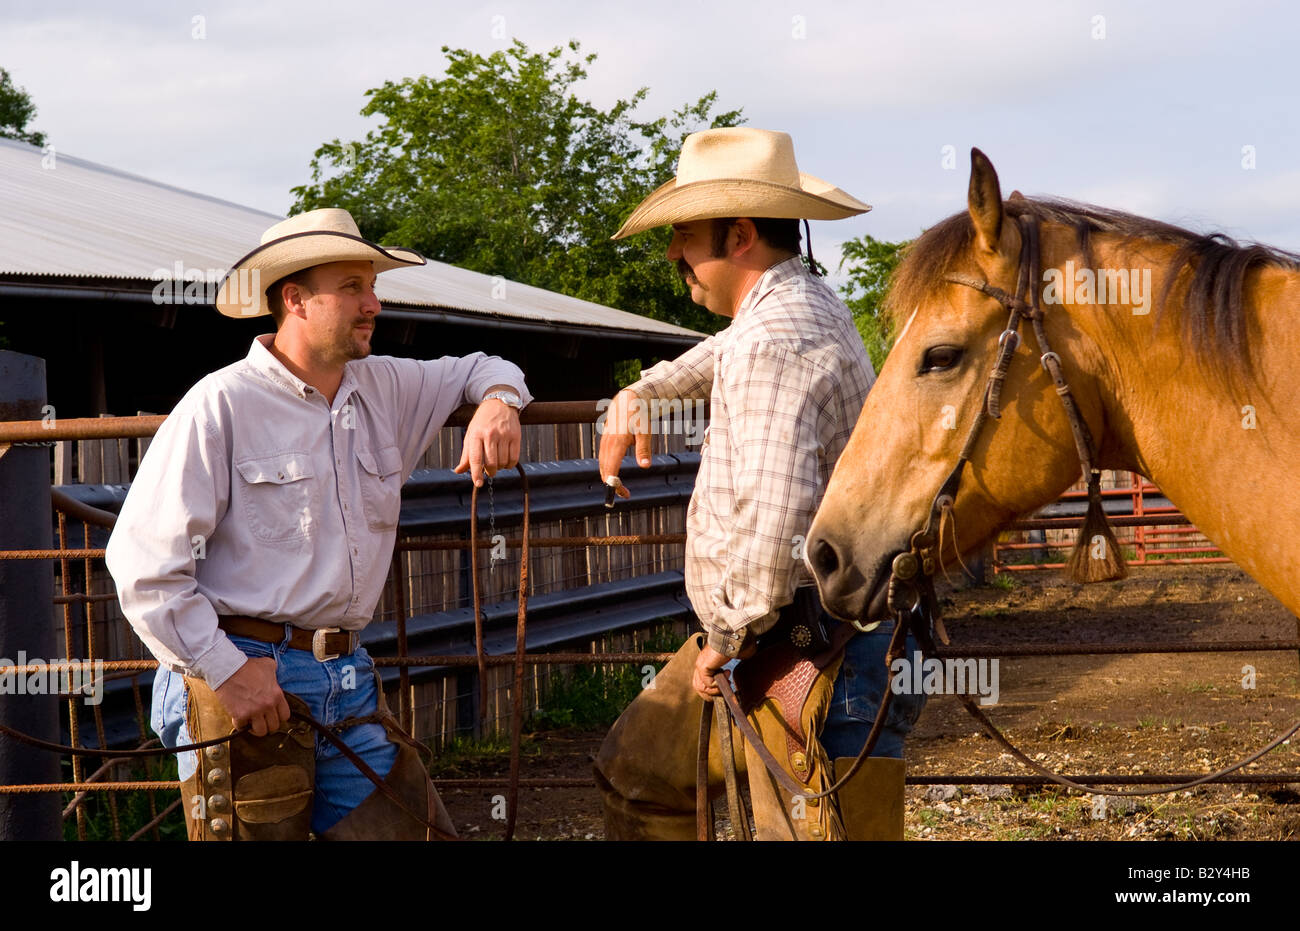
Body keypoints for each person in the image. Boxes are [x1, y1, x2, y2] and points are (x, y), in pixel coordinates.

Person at [105, 208, 532, 840]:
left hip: (346, 672)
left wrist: (499, 404)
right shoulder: (221, 404)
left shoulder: (384, 386)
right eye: (354, 287)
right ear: (295, 298)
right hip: (245, 669)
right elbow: (144, 568)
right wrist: (227, 672)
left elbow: (483, 364)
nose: (374, 304)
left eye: (373, 286)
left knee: (413, 832)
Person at [594, 127, 925, 840]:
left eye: (683, 235)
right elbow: (729, 347)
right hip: (805, 634)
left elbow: (776, 528)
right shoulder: (792, 309)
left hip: (805, 639)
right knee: (640, 766)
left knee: (799, 826)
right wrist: (649, 389)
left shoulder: (776, 337)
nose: (673, 253)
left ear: (738, 234)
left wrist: (726, 632)